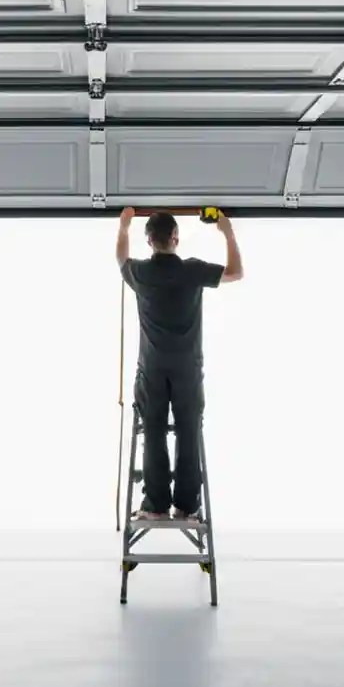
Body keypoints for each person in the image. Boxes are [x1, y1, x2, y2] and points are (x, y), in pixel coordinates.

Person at [116, 207, 243, 521]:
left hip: (152, 369)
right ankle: (186, 506)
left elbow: (120, 258)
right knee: (188, 431)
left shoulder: (140, 273)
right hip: (187, 369)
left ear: (148, 241)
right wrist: (227, 231)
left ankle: (156, 505)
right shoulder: (192, 270)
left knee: (154, 431)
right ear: (175, 238)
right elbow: (236, 272)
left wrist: (123, 227)